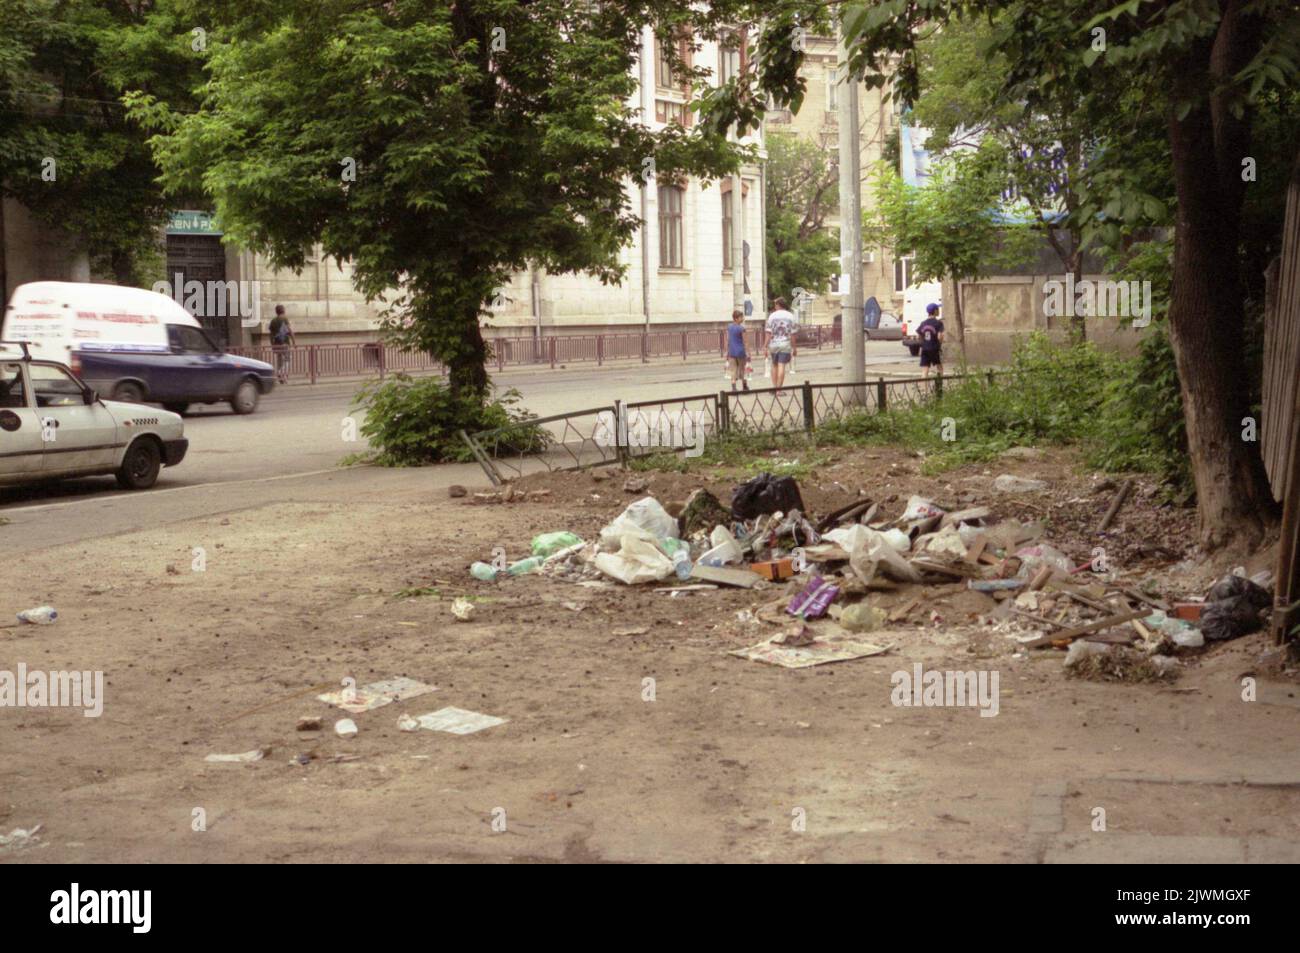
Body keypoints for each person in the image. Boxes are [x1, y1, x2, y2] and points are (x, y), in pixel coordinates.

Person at [764, 296, 799, 392]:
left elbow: (768, 333)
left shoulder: (771, 316)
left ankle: (775, 387)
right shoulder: (791, 316)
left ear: (778, 305)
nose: (774, 306)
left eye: (775, 304)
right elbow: (793, 335)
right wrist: (794, 348)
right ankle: (779, 390)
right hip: (785, 344)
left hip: (773, 344)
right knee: (781, 365)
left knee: (774, 365)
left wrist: (765, 346)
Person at [268, 305, 295, 384]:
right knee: (287, 360)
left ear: (276, 311)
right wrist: (294, 341)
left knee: (279, 361)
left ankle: (282, 379)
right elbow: (289, 330)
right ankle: (280, 372)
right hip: (285, 343)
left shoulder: (273, 320)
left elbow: (270, 334)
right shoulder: (284, 319)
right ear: (283, 311)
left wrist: (272, 344)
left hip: (276, 343)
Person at [916, 302, 944, 378]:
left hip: (925, 348)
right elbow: (939, 337)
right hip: (934, 348)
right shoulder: (938, 323)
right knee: (939, 368)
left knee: (925, 370)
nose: (939, 311)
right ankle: (939, 387)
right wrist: (940, 343)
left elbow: (919, 336)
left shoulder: (923, 323)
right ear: (935, 311)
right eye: (938, 309)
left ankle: (924, 389)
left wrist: (924, 342)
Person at [726, 309, 749, 391]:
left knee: (733, 370)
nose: (742, 318)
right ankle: (745, 386)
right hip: (740, 351)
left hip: (732, 351)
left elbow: (728, 340)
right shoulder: (742, 329)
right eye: (740, 317)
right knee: (742, 369)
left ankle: (734, 387)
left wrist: (727, 351)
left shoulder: (729, 327)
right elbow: (745, 341)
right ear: (736, 318)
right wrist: (748, 353)